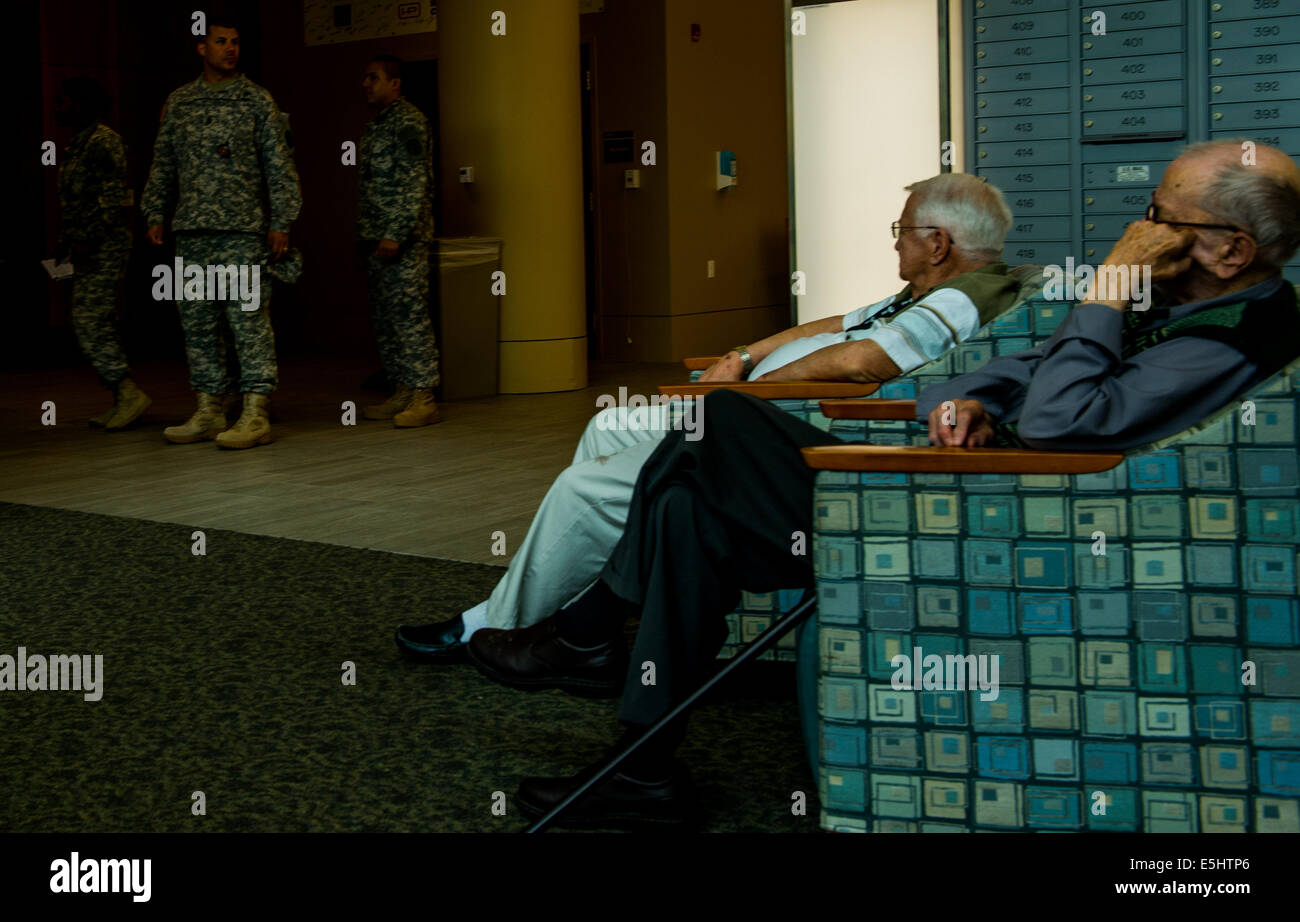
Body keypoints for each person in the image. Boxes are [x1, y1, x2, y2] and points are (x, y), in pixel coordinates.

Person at [466, 140, 1300, 827]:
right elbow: (1018, 372)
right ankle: (639, 769)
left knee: (719, 420)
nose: (1139, 232)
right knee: (688, 503)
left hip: (1004, 524)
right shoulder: (1180, 306)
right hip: (978, 485)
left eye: (1160, 219)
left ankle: (586, 633)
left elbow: (1057, 422)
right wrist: (971, 397)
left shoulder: (1230, 337)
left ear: (1233, 249)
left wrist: (1110, 284)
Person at [397, 172, 1022, 661]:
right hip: (762, 402)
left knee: (584, 489)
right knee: (609, 427)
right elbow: (836, 325)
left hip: (785, 426)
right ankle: (597, 613)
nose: (894, 238)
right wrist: (744, 355)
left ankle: (502, 627)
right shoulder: (919, 293)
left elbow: (862, 360)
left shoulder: (963, 299)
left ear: (938, 243)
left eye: (902, 227)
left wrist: (749, 394)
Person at [141, 14, 301, 449]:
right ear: (201, 48)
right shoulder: (179, 102)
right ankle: (210, 409)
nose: (230, 48)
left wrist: (281, 221)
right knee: (198, 325)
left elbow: (279, 167)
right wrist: (155, 210)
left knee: (247, 322)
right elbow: (164, 162)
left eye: (235, 42)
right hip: (192, 231)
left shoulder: (256, 100)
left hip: (241, 232)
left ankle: (255, 412)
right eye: (220, 41)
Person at [54, 76, 150, 430]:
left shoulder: (105, 142)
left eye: (63, 101)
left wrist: (89, 237)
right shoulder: (78, 145)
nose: (56, 108)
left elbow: (114, 199)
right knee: (95, 319)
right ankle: (119, 397)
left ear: (83, 105)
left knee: (89, 319)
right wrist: (67, 240)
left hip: (104, 245)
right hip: (84, 244)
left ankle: (127, 392)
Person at [357, 55, 442, 428]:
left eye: (373, 78)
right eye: (365, 78)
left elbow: (413, 181)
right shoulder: (377, 126)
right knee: (388, 318)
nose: (366, 84)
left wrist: (396, 232)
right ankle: (403, 389)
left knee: (409, 317)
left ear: (395, 83)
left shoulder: (408, 121)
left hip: (403, 240)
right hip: (376, 238)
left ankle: (424, 394)